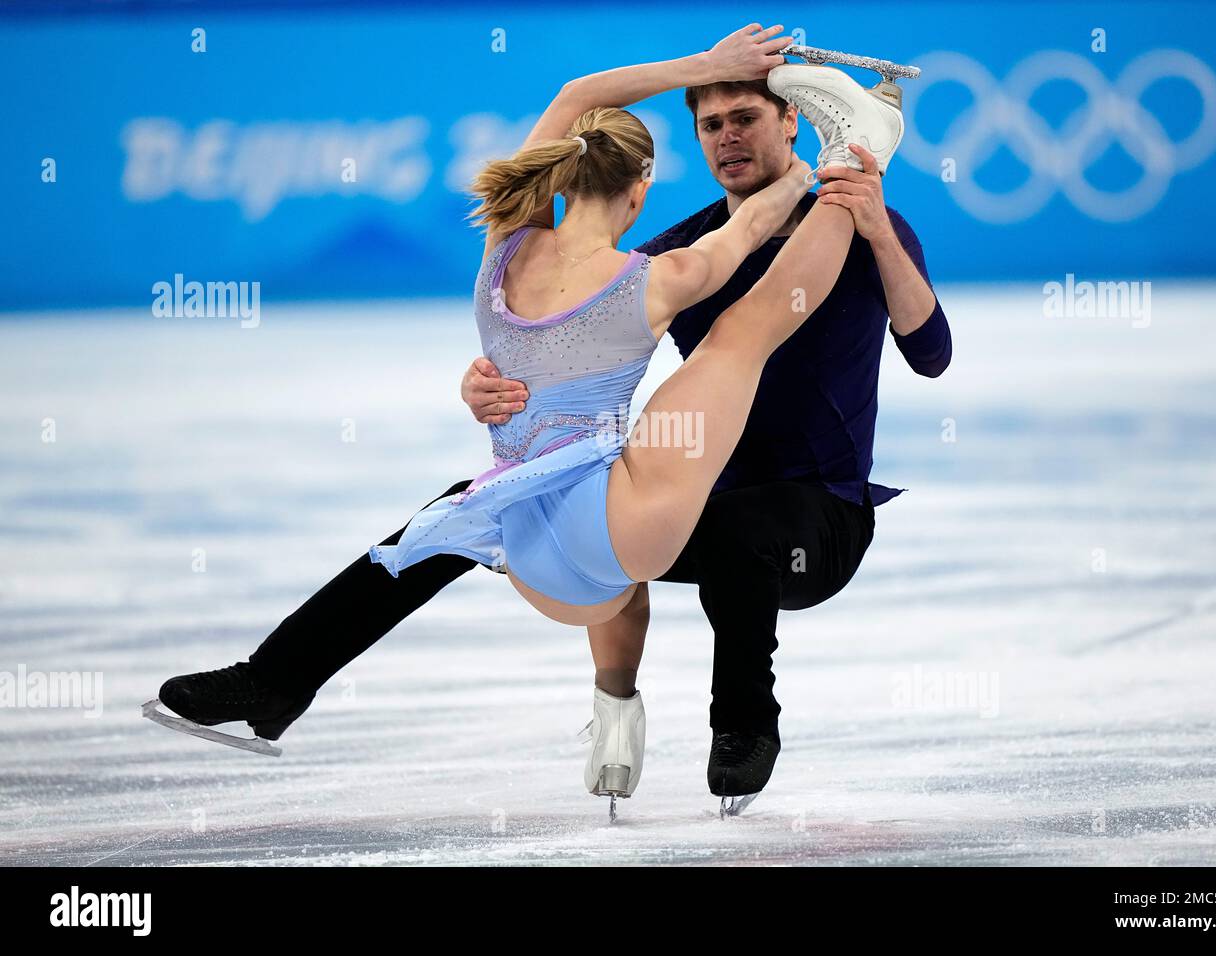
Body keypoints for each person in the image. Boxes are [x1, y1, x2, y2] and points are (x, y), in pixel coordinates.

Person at [154, 24, 951, 809]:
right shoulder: (669, 264)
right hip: (653, 523)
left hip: (677, 538)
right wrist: (837, 172)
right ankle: (864, 143)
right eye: (711, 123)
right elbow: (747, 238)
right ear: (644, 183)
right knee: (743, 337)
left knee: (440, 527)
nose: (725, 137)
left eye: (742, 118)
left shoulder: (509, 247)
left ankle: (272, 682)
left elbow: (933, 352)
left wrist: (865, 217)